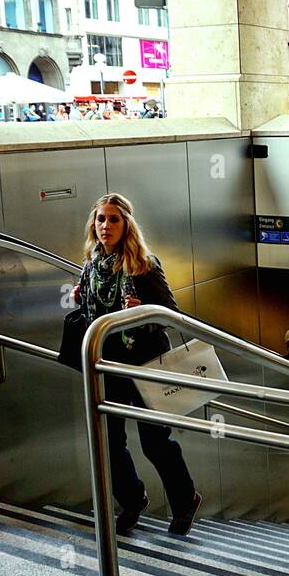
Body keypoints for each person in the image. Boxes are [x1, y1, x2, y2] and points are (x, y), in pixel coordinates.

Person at [69, 193, 202, 536]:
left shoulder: (145, 265)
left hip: (145, 363)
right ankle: (133, 499)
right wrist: (81, 297)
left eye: (113, 220)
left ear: (126, 225)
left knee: (154, 441)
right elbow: (95, 313)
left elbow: (172, 315)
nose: (105, 226)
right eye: (100, 219)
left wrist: (141, 311)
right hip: (108, 365)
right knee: (110, 441)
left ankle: (185, 500)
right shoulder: (91, 266)